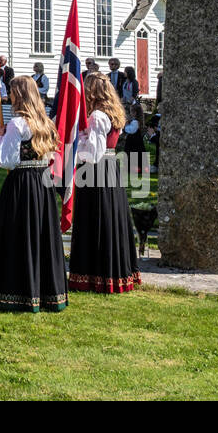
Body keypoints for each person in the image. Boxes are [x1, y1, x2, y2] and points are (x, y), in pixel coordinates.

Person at [0, 75, 66, 313]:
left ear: (19, 95)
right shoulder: (46, 123)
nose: (10, 96)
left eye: (13, 92)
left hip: (22, 182)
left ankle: (15, 291)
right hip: (42, 183)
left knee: (17, 232)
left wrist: (0, 136)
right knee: (40, 233)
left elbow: (6, 159)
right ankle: (45, 292)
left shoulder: (17, 124)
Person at [67, 71, 139, 294]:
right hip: (109, 168)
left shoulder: (97, 116)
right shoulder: (112, 112)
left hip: (96, 170)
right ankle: (111, 272)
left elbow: (93, 152)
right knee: (109, 217)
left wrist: (74, 149)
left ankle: (95, 274)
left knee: (97, 218)